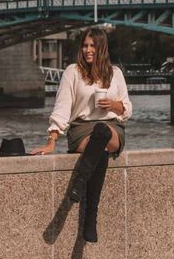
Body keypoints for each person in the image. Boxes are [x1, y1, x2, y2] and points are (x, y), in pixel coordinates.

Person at [31, 27, 131, 243]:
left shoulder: (116, 74)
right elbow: (62, 108)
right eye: (85, 45)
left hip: (111, 127)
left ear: (101, 47)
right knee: (100, 148)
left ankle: (79, 184)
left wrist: (114, 105)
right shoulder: (72, 72)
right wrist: (51, 141)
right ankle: (90, 219)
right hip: (82, 129)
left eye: (92, 45)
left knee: (103, 133)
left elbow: (127, 109)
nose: (88, 50)